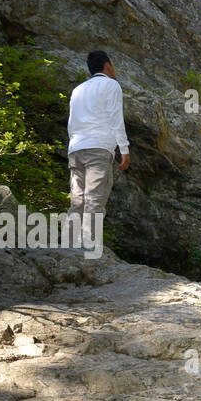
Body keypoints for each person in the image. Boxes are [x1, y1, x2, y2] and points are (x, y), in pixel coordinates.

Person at [67, 50, 129, 252]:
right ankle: (89, 248)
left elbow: (71, 123)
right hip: (99, 147)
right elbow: (116, 118)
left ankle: (69, 246)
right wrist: (124, 150)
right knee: (94, 198)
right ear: (107, 65)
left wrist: (74, 144)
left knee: (77, 200)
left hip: (76, 148)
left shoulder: (78, 90)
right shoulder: (111, 85)